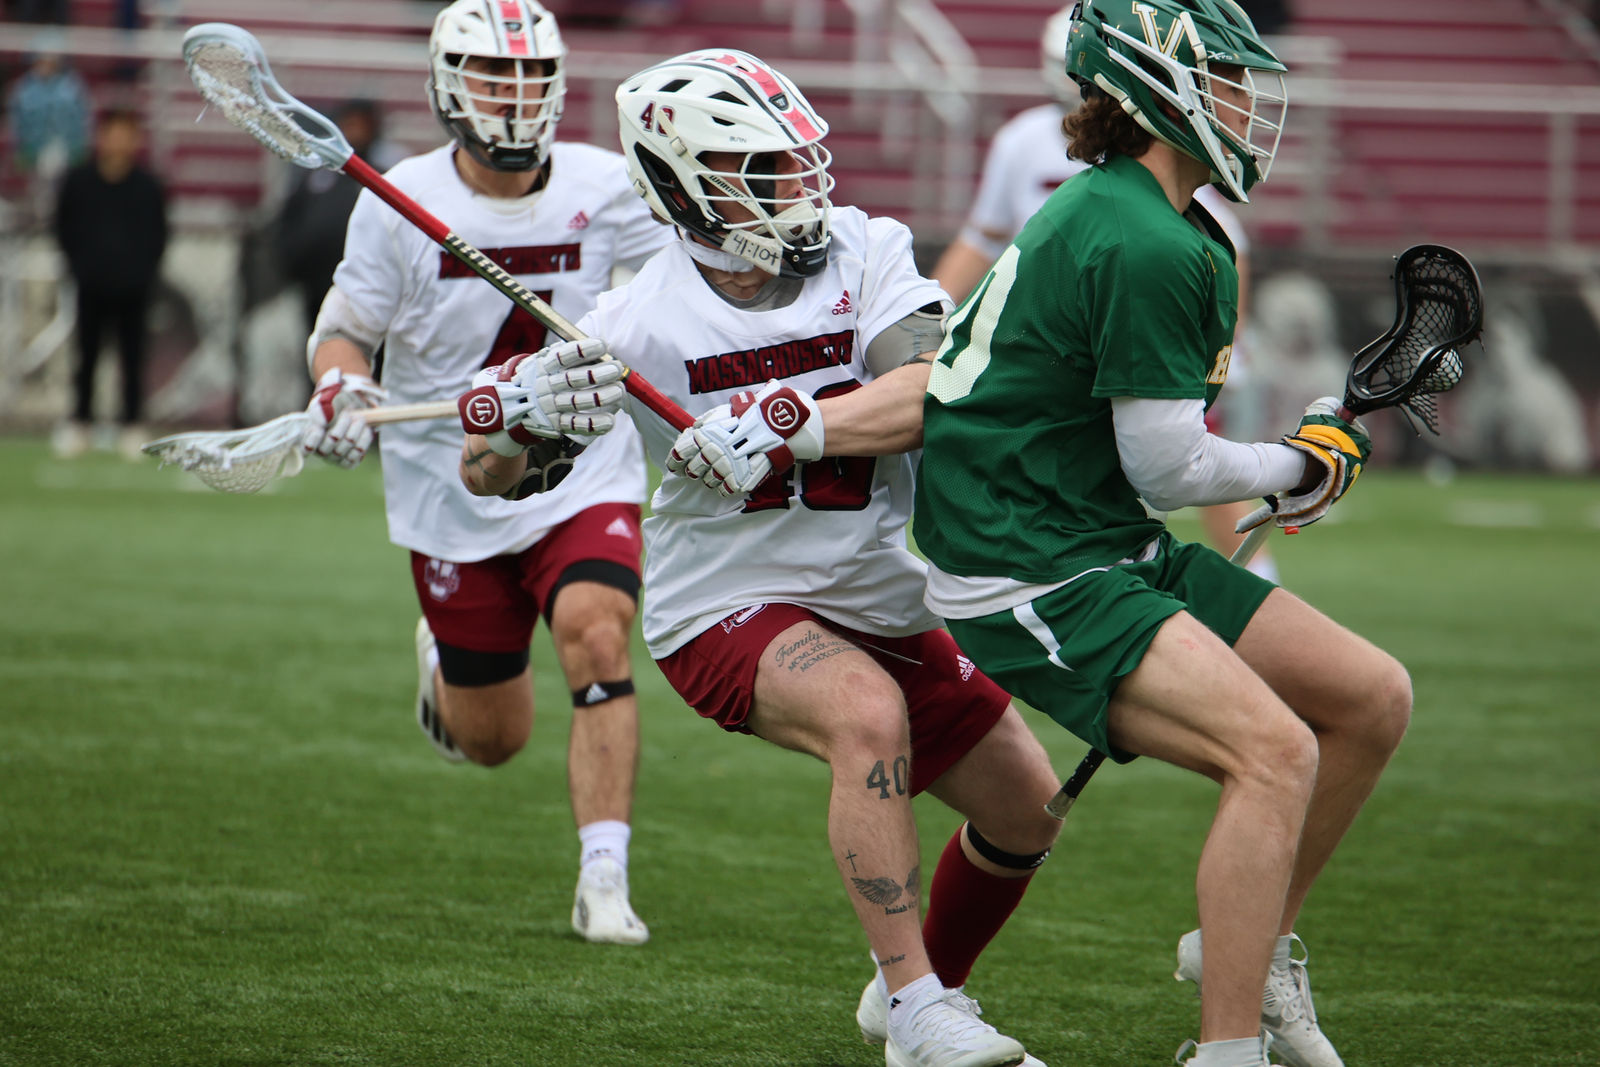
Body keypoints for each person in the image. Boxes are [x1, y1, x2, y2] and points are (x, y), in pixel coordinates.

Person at [461, 49, 1063, 1067]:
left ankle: (913, 991)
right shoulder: (632, 322)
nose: (799, 186)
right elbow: (488, 472)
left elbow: (933, 391)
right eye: (763, 168)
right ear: (686, 185)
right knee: (864, 711)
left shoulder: (867, 250)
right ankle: (919, 1014)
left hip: (871, 588)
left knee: (1025, 805)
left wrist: (785, 419)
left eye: (795, 161)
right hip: (725, 602)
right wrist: (522, 420)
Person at [914, 3, 1411, 1065]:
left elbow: (1153, 455)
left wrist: (1288, 463)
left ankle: (1256, 943)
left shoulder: (1168, 222)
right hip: (1026, 565)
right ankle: (1226, 1051)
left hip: (1096, 538)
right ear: (1156, 92)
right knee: (1275, 753)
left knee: (1369, 699)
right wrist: (1294, 462)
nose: (1249, 104)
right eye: (1228, 80)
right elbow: (1169, 467)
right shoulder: (1137, 234)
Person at [300, 0, 672, 945]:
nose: (514, 97)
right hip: (451, 490)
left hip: (577, 468)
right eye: (493, 77)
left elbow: (676, 295)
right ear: (446, 87)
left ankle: (604, 877)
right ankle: (442, 662)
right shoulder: (399, 200)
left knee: (598, 633)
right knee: (493, 740)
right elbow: (346, 333)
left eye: (530, 78)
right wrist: (341, 391)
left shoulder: (604, 184)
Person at [932, 3, 1276, 579]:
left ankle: (1252, 580)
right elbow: (981, 237)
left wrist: (1222, 329)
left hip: (1131, 314)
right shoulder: (1050, 154)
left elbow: (1218, 249)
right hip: (1063, 331)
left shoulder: (1164, 172)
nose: (1243, 101)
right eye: (1228, 81)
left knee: (1165, 452)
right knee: (1151, 456)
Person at [52, 107, 168, 459]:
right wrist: (81, 267)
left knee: (132, 358)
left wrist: (141, 272)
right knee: (86, 356)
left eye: (126, 132)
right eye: (112, 132)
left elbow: (158, 235)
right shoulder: (78, 181)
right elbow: (64, 228)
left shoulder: (148, 185)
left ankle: (131, 424)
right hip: (91, 285)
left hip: (133, 288)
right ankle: (80, 422)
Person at [272, 99, 407, 340]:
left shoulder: (389, 176)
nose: (353, 131)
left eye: (360, 124)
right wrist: (291, 262)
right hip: (317, 284)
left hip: (372, 285)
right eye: (348, 124)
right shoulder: (317, 176)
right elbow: (290, 219)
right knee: (319, 342)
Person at [6, 44, 90, 225]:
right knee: (39, 188)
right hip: (33, 149)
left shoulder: (72, 87)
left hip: (64, 149)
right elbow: (16, 122)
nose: (46, 65)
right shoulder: (23, 89)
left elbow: (82, 119)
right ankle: (39, 221)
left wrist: (78, 148)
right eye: (41, 61)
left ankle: (59, 220)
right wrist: (20, 150)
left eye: (50, 61)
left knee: (61, 183)